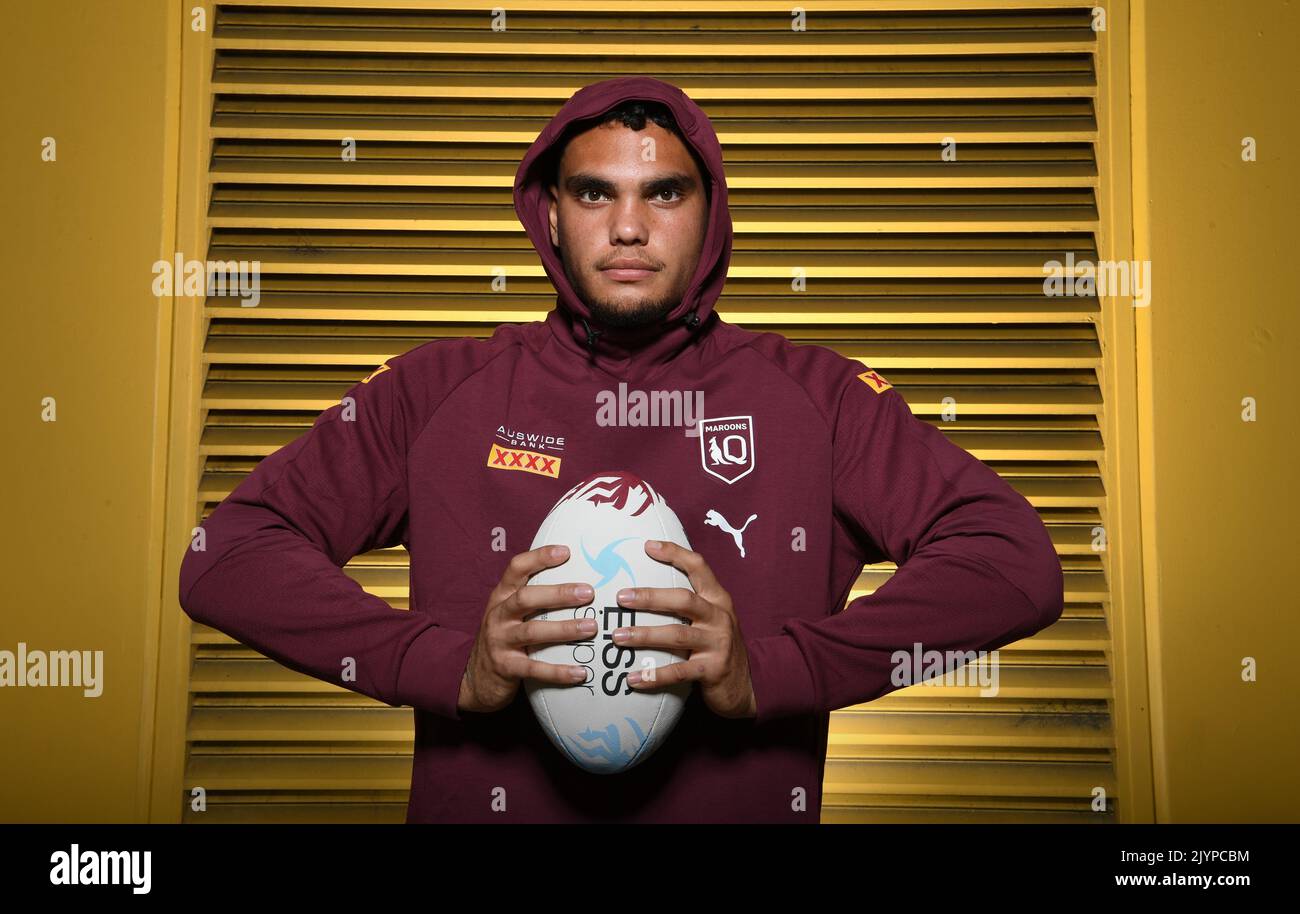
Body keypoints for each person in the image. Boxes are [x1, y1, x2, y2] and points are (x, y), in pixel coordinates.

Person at [178, 76, 1064, 823]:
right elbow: (227, 556)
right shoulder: (439, 391)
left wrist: (776, 671)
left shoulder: (816, 398)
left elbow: (1015, 563)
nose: (629, 227)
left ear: (710, 213)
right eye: (594, 192)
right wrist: (450, 667)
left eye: (664, 193)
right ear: (551, 215)